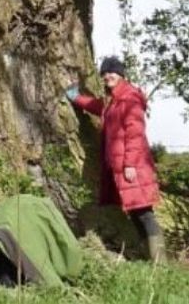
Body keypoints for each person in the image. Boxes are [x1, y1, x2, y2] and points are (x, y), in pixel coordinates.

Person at [65, 55, 165, 263]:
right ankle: (149, 259)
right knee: (136, 214)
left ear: (121, 75)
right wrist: (76, 98)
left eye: (112, 72)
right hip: (120, 167)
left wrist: (129, 164)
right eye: (105, 73)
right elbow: (97, 106)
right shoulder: (114, 101)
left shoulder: (130, 99)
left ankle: (161, 263)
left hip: (133, 167)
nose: (108, 76)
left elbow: (135, 134)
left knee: (144, 213)